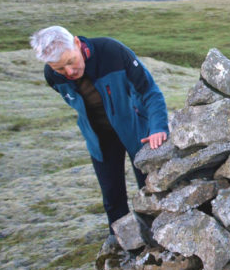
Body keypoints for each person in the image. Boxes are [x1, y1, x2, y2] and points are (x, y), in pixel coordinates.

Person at [30, 26, 169, 231]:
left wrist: (157, 127)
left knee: (150, 189)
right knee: (112, 198)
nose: (69, 72)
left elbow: (150, 91)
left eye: (71, 61)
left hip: (137, 132)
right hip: (99, 139)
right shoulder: (52, 76)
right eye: (59, 68)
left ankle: (160, 236)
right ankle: (121, 244)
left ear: (77, 43)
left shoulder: (112, 51)